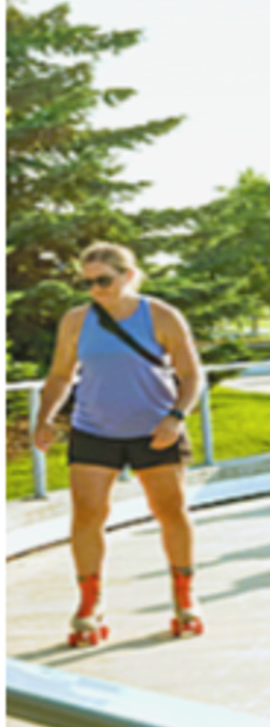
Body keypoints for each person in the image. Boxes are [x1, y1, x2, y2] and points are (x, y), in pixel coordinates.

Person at [33, 242, 206, 645]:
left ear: (128, 276)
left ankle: (185, 598)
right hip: (94, 429)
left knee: (171, 513)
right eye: (88, 282)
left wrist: (176, 417)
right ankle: (89, 604)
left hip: (154, 431)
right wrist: (45, 418)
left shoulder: (160, 315)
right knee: (87, 515)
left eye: (104, 280)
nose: (96, 289)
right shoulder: (77, 321)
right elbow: (61, 374)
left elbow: (191, 375)